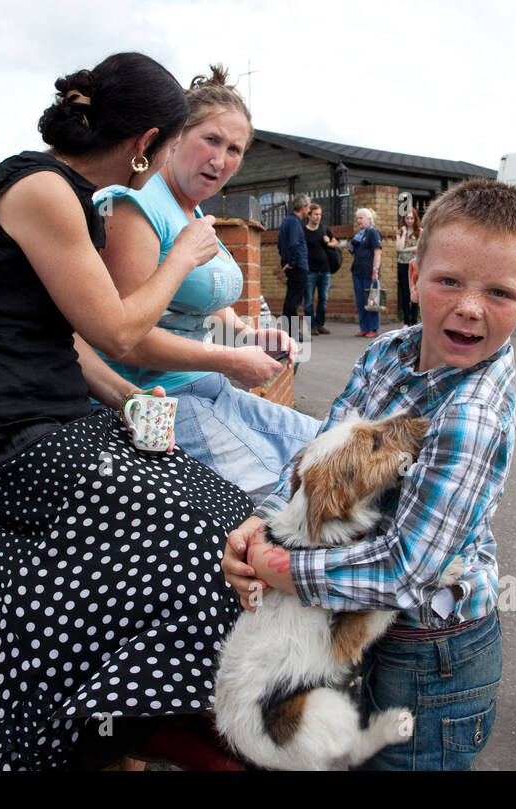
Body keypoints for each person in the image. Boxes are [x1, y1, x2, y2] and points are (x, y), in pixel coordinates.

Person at [0, 52, 253, 771]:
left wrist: (131, 401)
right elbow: (120, 330)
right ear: (145, 144)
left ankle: (174, 709)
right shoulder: (41, 188)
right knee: (185, 533)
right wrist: (182, 256)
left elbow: (65, 338)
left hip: (48, 420)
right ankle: (139, 721)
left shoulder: (67, 196)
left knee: (225, 507)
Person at [223, 178, 516, 770]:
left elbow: (407, 571)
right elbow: (316, 459)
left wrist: (279, 568)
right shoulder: (386, 353)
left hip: (434, 654)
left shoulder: (470, 416)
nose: (469, 307)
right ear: (413, 277)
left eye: (500, 292)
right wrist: (261, 524)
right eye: (448, 280)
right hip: (355, 623)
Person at [95, 65, 320, 504]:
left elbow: (200, 303)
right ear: (177, 135)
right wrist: (230, 360)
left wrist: (247, 334)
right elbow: (125, 340)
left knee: (332, 449)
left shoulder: (195, 215)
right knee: (294, 498)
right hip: (167, 401)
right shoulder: (136, 207)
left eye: (234, 148)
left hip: (214, 393)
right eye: (211, 140)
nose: (221, 160)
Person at [303, 202, 338, 335]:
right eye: (316, 214)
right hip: (310, 271)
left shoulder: (324, 229)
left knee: (323, 299)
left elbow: (335, 242)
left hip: (325, 270)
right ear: (309, 215)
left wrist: (328, 242)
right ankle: (311, 326)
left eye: (320, 214)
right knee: (308, 301)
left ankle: (320, 324)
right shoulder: (304, 231)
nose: (318, 217)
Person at [277, 194, 311, 333]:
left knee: (291, 297)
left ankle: (288, 330)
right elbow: (294, 243)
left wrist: (285, 261)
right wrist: (291, 262)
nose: (308, 210)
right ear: (303, 207)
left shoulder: (287, 221)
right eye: (308, 207)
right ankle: (292, 332)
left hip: (293, 265)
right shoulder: (294, 222)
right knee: (294, 300)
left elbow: (280, 244)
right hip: (298, 266)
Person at [349, 206, 383, 337]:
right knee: (360, 301)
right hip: (357, 272)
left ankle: (373, 329)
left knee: (371, 301)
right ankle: (364, 327)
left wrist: (375, 271)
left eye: (361, 218)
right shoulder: (359, 235)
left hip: (369, 272)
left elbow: (377, 252)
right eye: (357, 218)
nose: (358, 220)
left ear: (369, 219)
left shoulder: (373, 232)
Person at [395, 205, 421, 326]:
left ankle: (414, 320)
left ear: (415, 219)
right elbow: (399, 248)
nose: (409, 220)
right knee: (405, 292)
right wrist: (404, 233)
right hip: (403, 264)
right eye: (407, 218)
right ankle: (406, 321)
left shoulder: (420, 232)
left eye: (411, 218)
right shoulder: (401, 232)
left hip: (415, 264)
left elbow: (420, 247)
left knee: (415, 290)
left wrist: (406, 249)